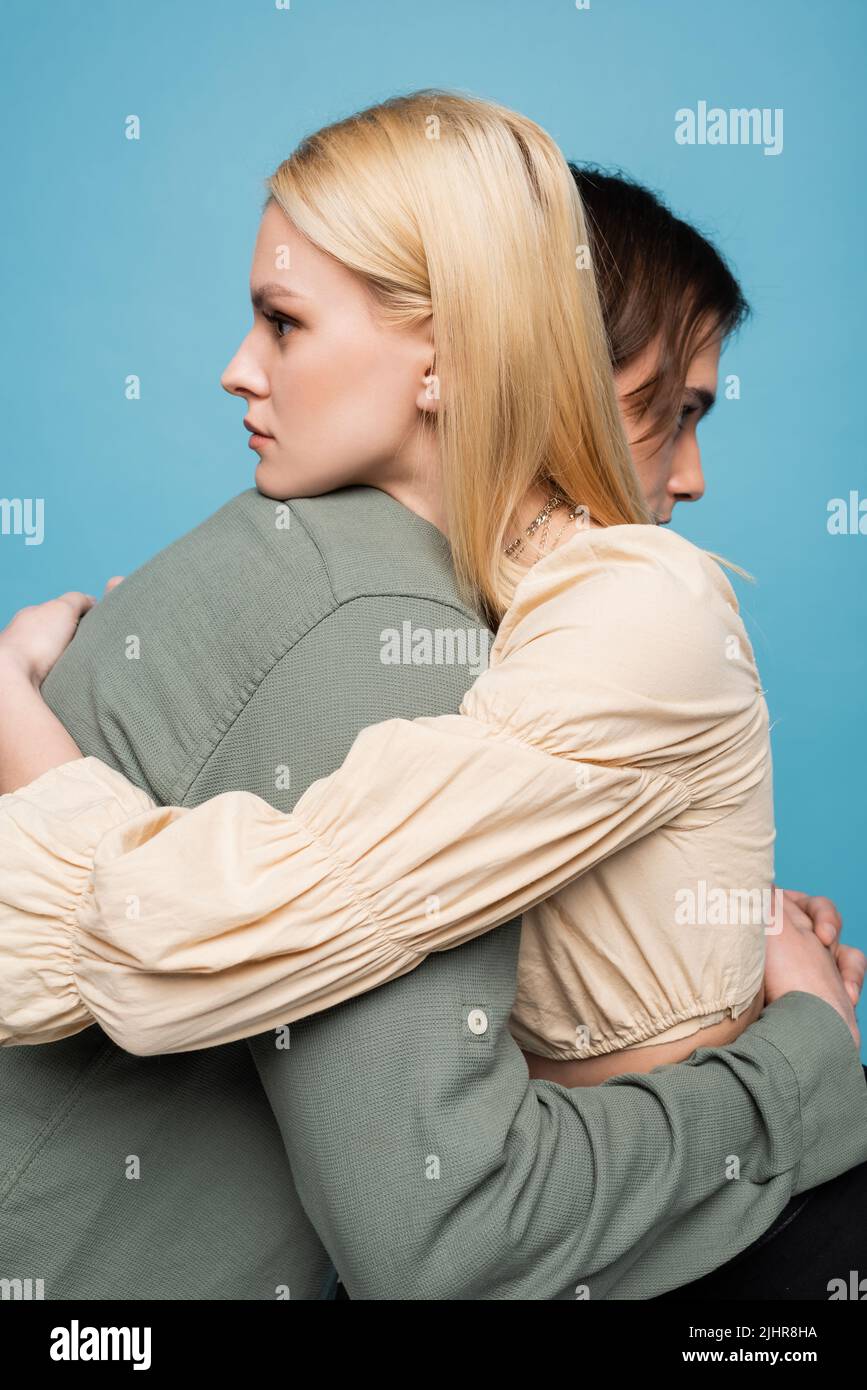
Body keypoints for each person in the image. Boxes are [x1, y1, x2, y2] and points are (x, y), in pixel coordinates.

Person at [0, 94, 864, 1300]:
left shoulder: (628, 599)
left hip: (742, 1251)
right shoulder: (443, 618)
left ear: (454, 353)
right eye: (677, 408)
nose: (236, 368)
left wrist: (24, 732)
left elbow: (239, 927)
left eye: (282, 321)